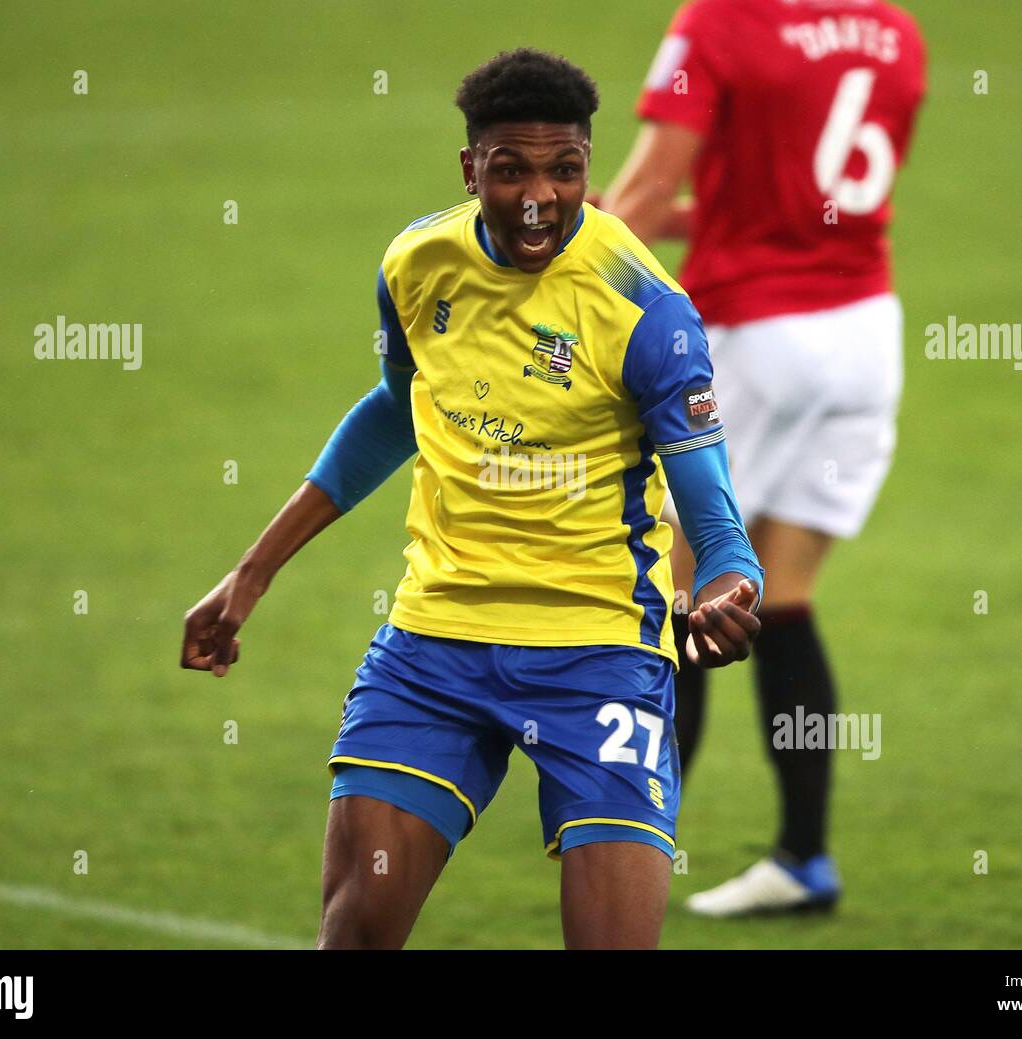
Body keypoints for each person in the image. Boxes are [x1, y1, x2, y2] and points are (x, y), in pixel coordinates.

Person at [180, 48, 764, 949]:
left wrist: (730, 583)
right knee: (358, 928)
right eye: (511, 170)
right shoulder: (418, 264)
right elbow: (393, 410)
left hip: (598, 653)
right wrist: (249, 574)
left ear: (587, 168)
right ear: (470, 169)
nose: (540, 198)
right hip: (434, 644)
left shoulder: (645, 307)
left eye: (565, 170)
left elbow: (714, 514)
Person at [599, 0, 926, 916]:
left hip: (756, 339)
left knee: (679, 588)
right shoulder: (894, 30)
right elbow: (786, 206)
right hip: (864, 333)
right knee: (779, 600)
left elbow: (646, 194)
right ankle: (803, 859)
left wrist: (571, 260)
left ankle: (634, 858)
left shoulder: (721, 21)